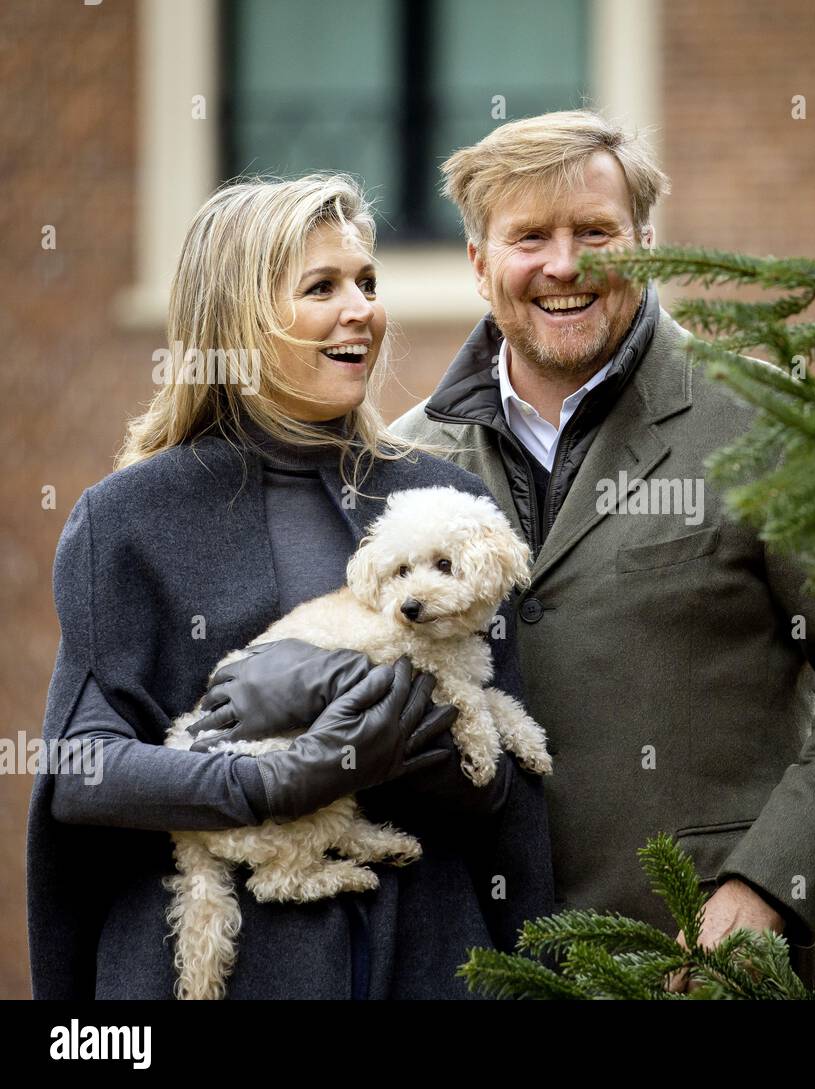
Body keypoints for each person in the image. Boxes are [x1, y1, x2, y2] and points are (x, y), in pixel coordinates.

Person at [389, 110, 815, 991]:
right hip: (471, 971)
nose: (565, 266)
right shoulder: (400, 466)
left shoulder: (773, 424)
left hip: (706, 975)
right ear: (478, 261)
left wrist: (768, 889)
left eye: (596, 233)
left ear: (646, 243)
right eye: (530, 236)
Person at [27, 173, 554, 1000]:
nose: (362, 310)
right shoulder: (126, 518)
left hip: (428, 959)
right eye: (323, 287)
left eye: (368, 283)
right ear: (238, 319)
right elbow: (82, 767)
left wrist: (416, 751)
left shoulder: (441, 509)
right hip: (214, 972)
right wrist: (272, 779)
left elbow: (512, 803)